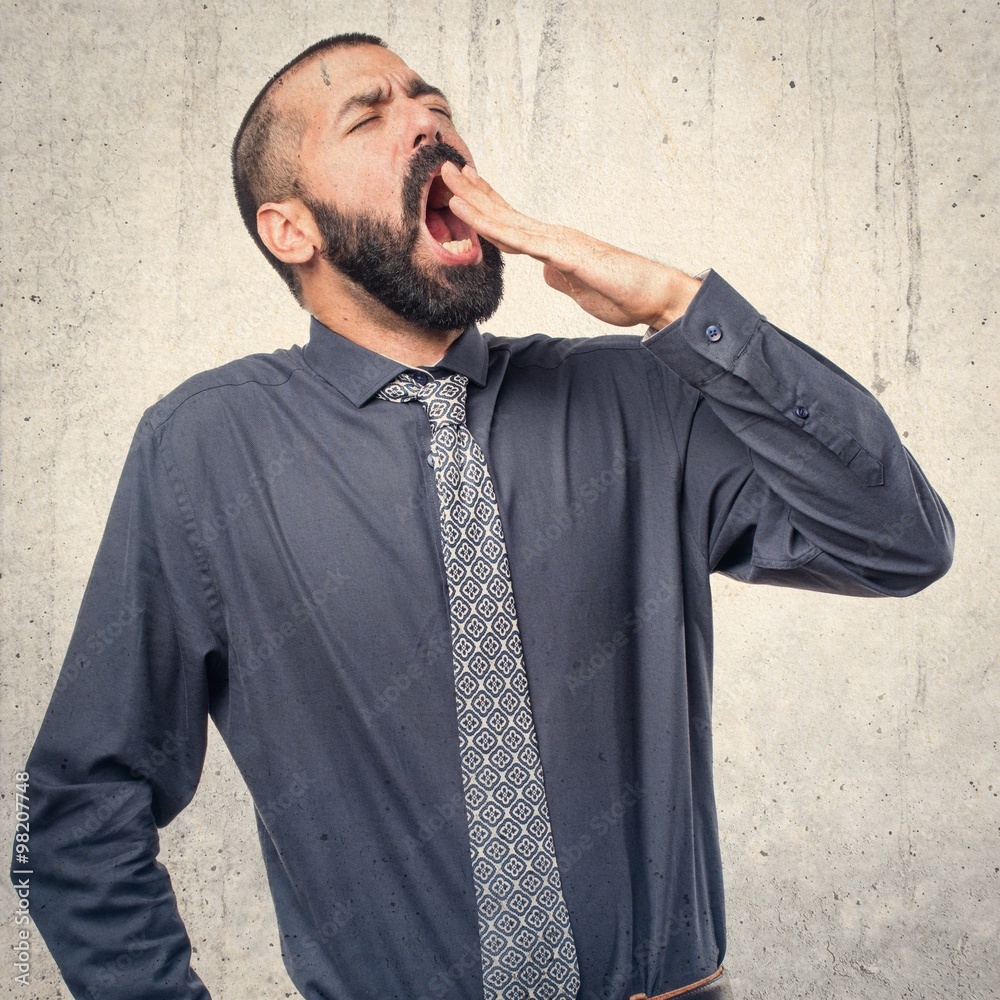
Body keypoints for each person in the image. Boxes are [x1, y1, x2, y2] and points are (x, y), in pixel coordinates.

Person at [12, 31, 953, 1000]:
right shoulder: (204, 450)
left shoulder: (638, 393)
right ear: (290, 229)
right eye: (368, 114)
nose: (426, 119)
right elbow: (79, 811)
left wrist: (680, 307)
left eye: (433, 103)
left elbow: (899, 543)